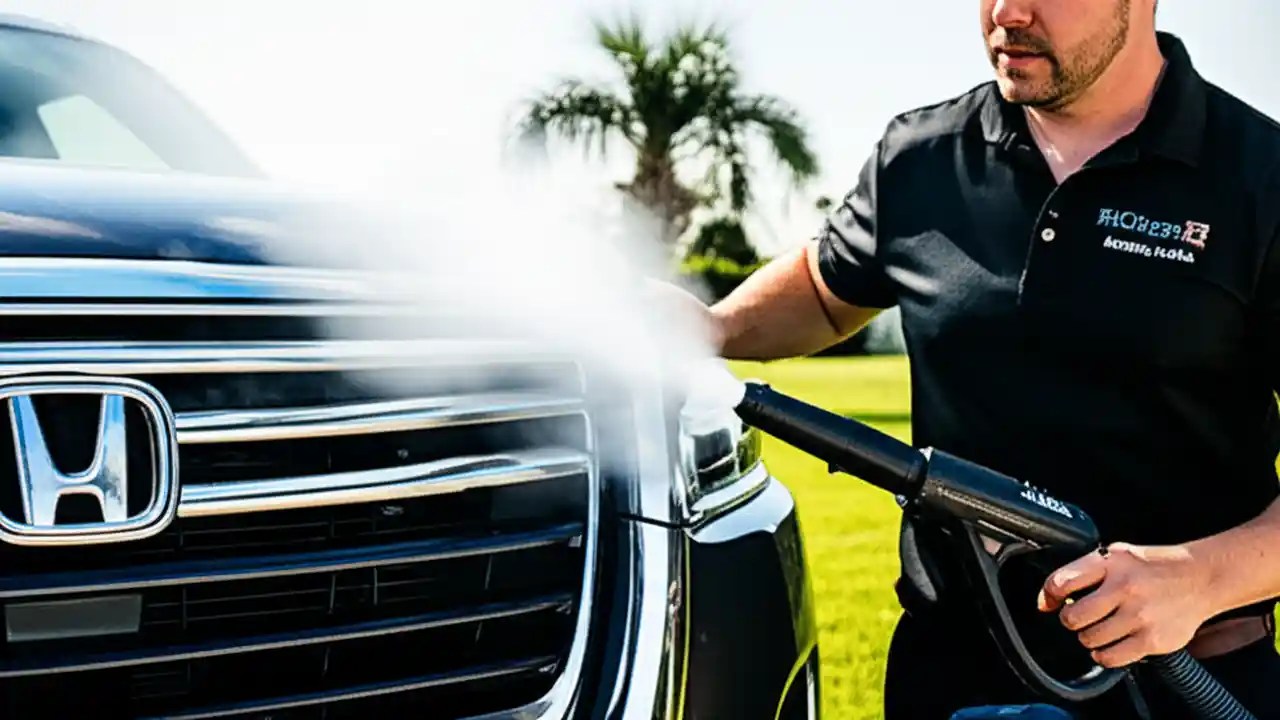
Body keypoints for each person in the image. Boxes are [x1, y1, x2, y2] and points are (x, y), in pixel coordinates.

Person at [658, 1, 1280, 718]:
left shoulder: (1259, 178)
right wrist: (714, 326)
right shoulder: (921, 156)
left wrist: (1200, 579)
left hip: (1188, 682)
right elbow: (827, 291)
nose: (1008, 12)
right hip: (948, 677)